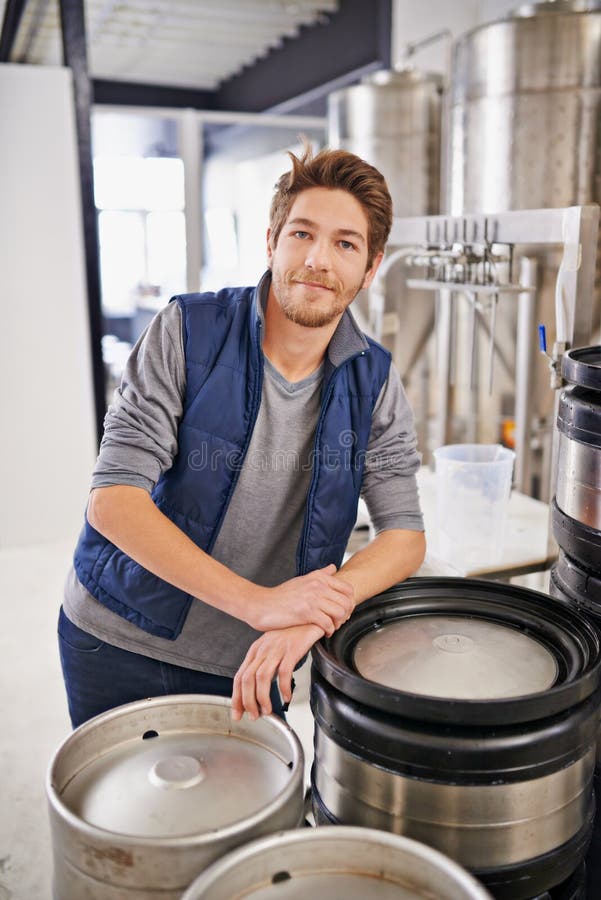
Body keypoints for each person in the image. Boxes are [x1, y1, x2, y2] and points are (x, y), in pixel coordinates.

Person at [58, 145, 426, 728]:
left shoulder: (375, 380)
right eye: (302, 234)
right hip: (118, 639)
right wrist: (260, 604)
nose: (318, 260)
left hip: (256, 663)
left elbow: (404, 535)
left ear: (371, 266)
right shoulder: (186, 330)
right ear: (271, 242)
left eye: (345, 244)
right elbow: (113, 500)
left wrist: (310, 618)